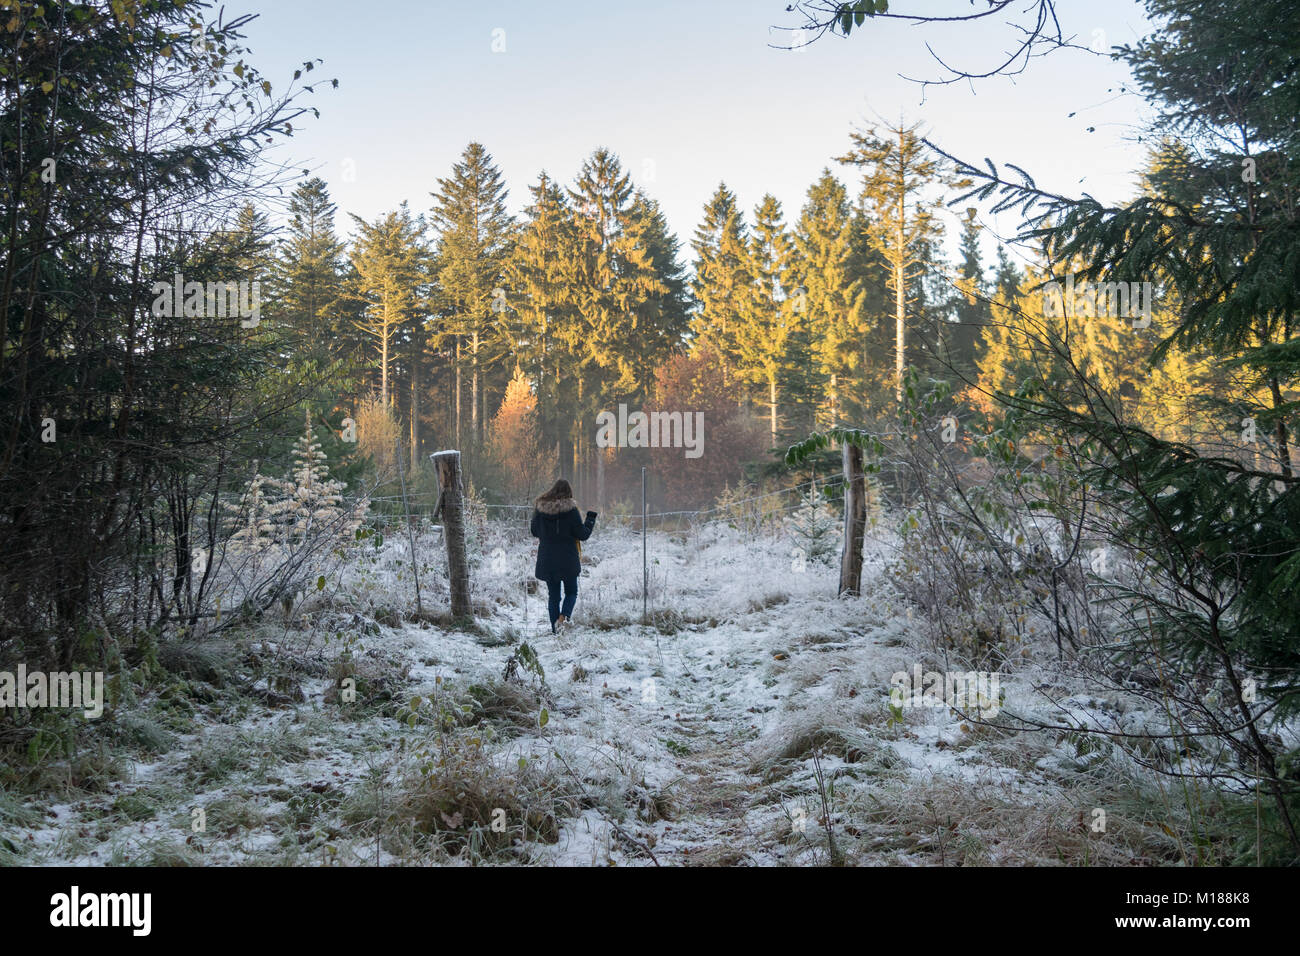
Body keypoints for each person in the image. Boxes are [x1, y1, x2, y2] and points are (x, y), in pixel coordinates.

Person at [530, 479, 597, 633]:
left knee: (553, 597)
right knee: (571, 592)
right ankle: (563, 617)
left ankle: (555, 630)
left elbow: (534, 531)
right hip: (567, 559)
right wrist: (590, 519)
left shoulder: (540, 509)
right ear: (568, 493)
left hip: (547, 559)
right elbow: (582, 534)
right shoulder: (571, 511)